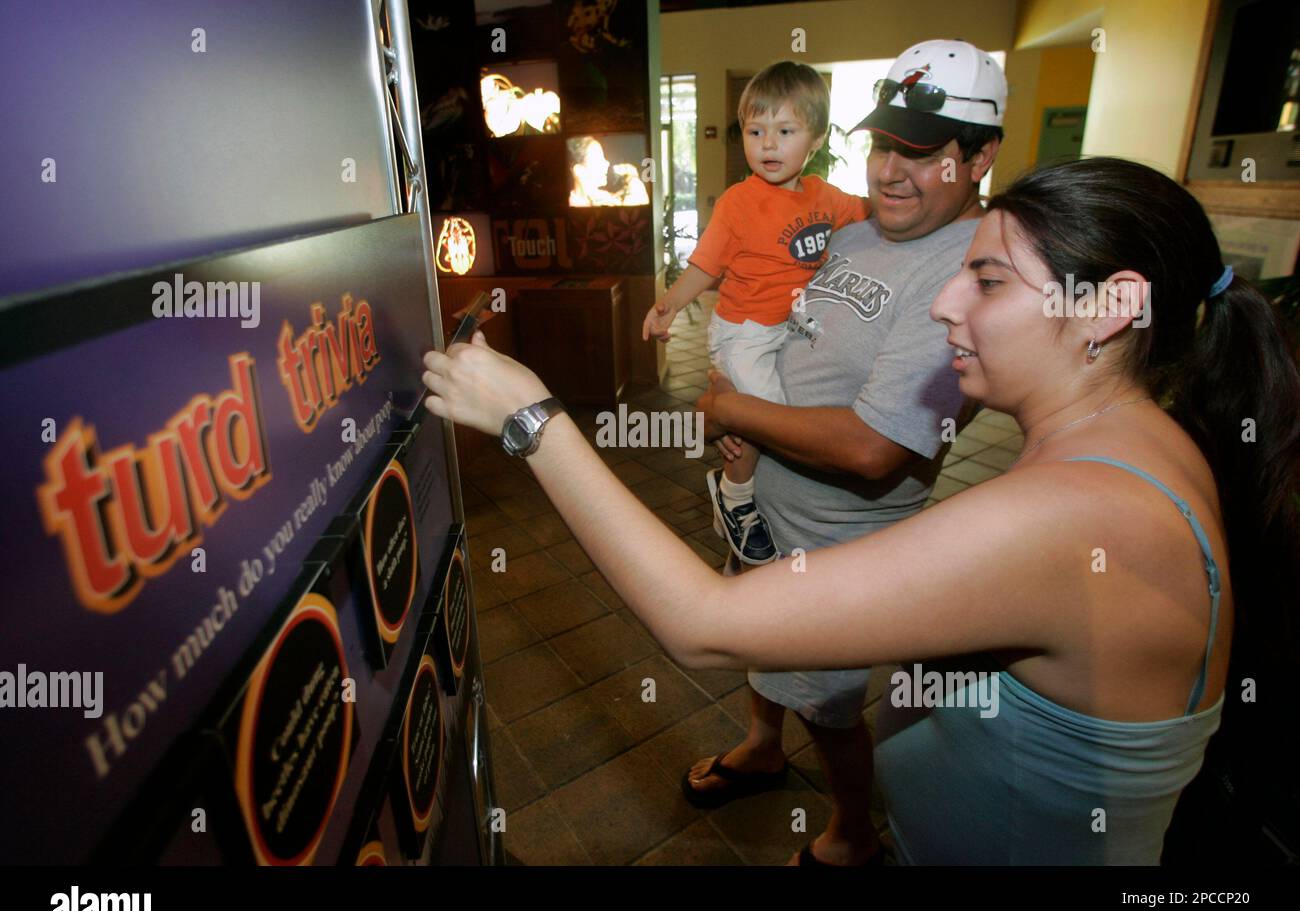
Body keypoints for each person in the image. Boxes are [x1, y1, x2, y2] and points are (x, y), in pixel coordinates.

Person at [421, 155, 1300, 864]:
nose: (945, 303)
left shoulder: (1075, 517)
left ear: (1110, 308)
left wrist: (532, 422)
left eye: (987, 282)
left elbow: (702, 624)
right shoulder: (1155, 439)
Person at [684, 39, 1005, 867]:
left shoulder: (965, 275)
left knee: (829, 703)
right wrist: (749, 415)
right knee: (763, 649)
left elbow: (874, 450)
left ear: (979, 159)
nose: (891, 172)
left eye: (923, 153)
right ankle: (760, 748)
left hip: (837, 534)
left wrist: (735, 405)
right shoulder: (858, 232)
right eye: (882, 145)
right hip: (768, 502)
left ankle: (852, 835)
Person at [642, 60, 869, 566]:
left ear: (815, 138)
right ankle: (734, 498)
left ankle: (751, 478)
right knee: (766, 415)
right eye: (755, 130)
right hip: (743, 331)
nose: (768, 144)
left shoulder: (824, 197)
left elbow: (871, 213)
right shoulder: (739, 203)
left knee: (787, 406)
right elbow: (706, 264)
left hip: (789, 327)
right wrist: (670, 305)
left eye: (784, 131)